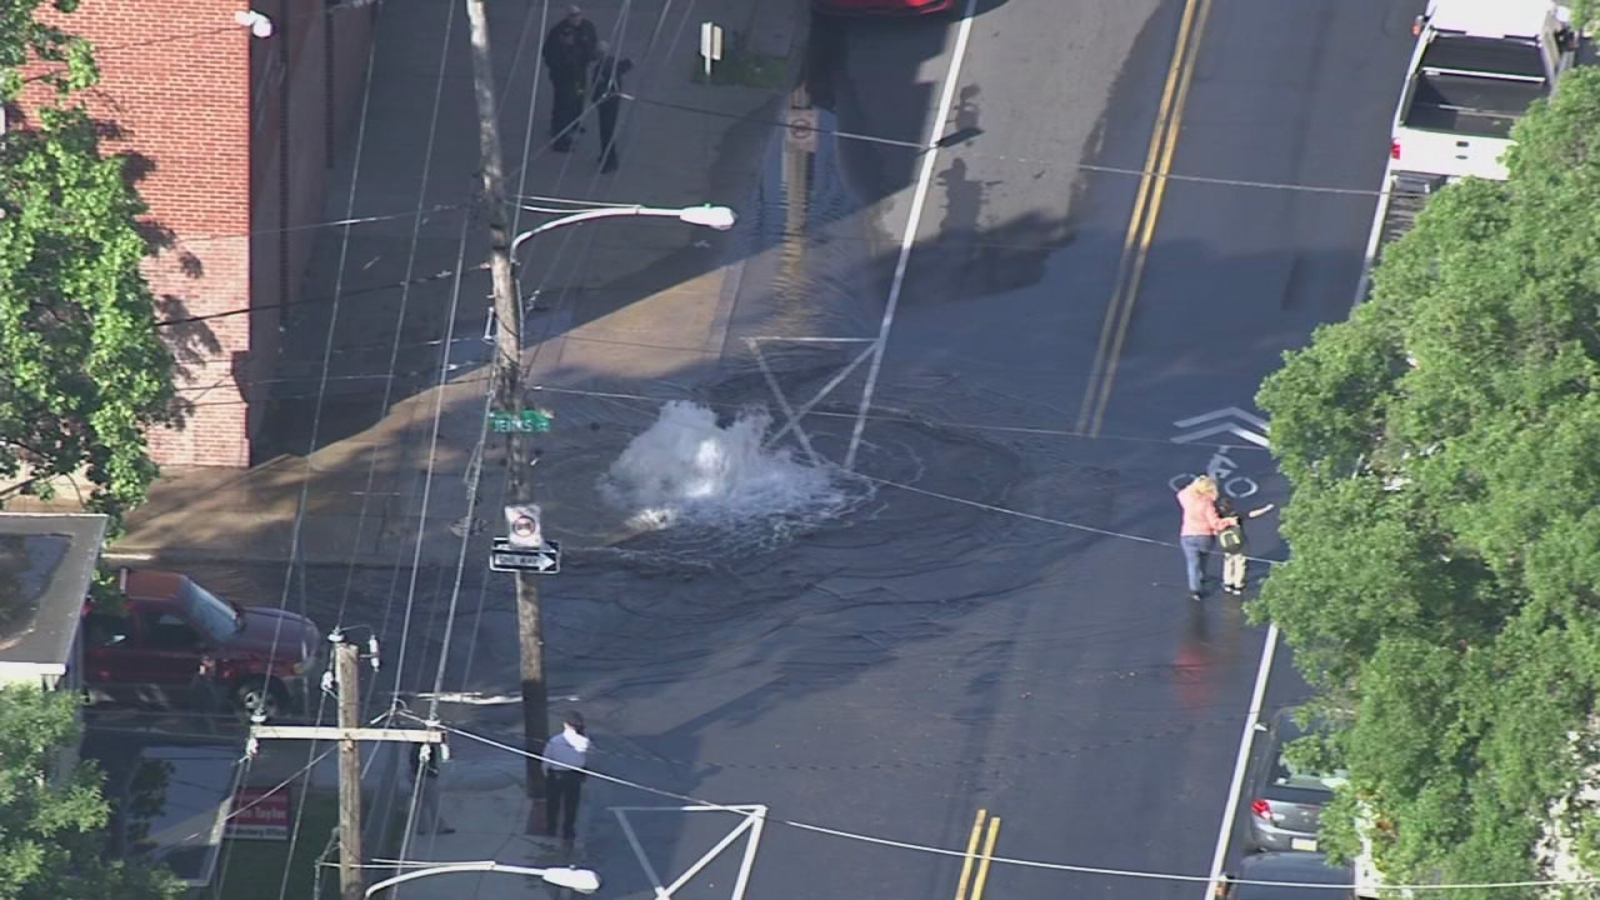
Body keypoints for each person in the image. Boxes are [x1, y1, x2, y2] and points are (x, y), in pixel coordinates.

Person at [542, 6, 599, 151]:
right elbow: (549, 54)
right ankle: (560, 138)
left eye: (578, 15)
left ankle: (575, 122)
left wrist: (593, 54)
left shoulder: (587, 27)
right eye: (572, 16)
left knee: (579, 96)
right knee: (563, 105)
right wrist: (561, 65)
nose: (576, 18)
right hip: (564, 77)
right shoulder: (558, 32)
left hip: (580, 73)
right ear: (567, 17)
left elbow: (592, 44)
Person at [1176, 476, 1236, 602]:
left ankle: (1195, 590)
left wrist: (1194, 485)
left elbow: (1181, 493)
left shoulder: (1186, 498)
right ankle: (1202, 577)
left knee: (1192, 563)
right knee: (1203, 559)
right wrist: (1230, 521)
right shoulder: (1207, 503)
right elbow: (1215, 524)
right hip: (1205, 536)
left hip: (1187, 534)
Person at [543, 710, 591, 845]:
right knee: (571, 804)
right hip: (574, 775)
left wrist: (546, 773)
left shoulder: (555, 740)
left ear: (565, 725)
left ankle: (551, 829)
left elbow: (546, 759)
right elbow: (586, 758)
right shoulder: (584, 741)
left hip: (556, 774)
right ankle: (568, 831)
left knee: (553, 804)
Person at [1214, 498, 1276, 595]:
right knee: (1240, 564)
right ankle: (1238, 586)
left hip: (1226, 545)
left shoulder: (1217, 518)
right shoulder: (1236, 516)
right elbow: (1251, 514)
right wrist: (1266, 509)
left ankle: (1228, 584)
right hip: (1240, 544)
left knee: (1228, 563)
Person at [590, 41, 633, 173]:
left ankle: (609, 161)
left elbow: (599, 87)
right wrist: (629, 63)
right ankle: (607, 156)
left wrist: (595, 98)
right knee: (608, 130)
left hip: (607, 103)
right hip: (614, 101)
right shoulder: (611, 62)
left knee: (606, 132)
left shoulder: (601, 68)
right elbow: (621, 68)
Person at [408, 744, 455, 835]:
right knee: (433, 802)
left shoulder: (415, 747)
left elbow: (413, 762)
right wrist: (433, 771)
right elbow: (422, 763)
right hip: (426, 777)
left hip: (415, 775)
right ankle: (439, 827)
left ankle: (421, 828)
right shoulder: (424, 747)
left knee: (421, 802)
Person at [188, 655, 225, 733]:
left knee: (206, 717)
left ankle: (208, 731)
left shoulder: (208, 677)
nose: (212, 663)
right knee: (203, 716)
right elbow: (196, 687)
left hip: (206, 701)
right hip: (202, 700)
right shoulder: (201, 677)